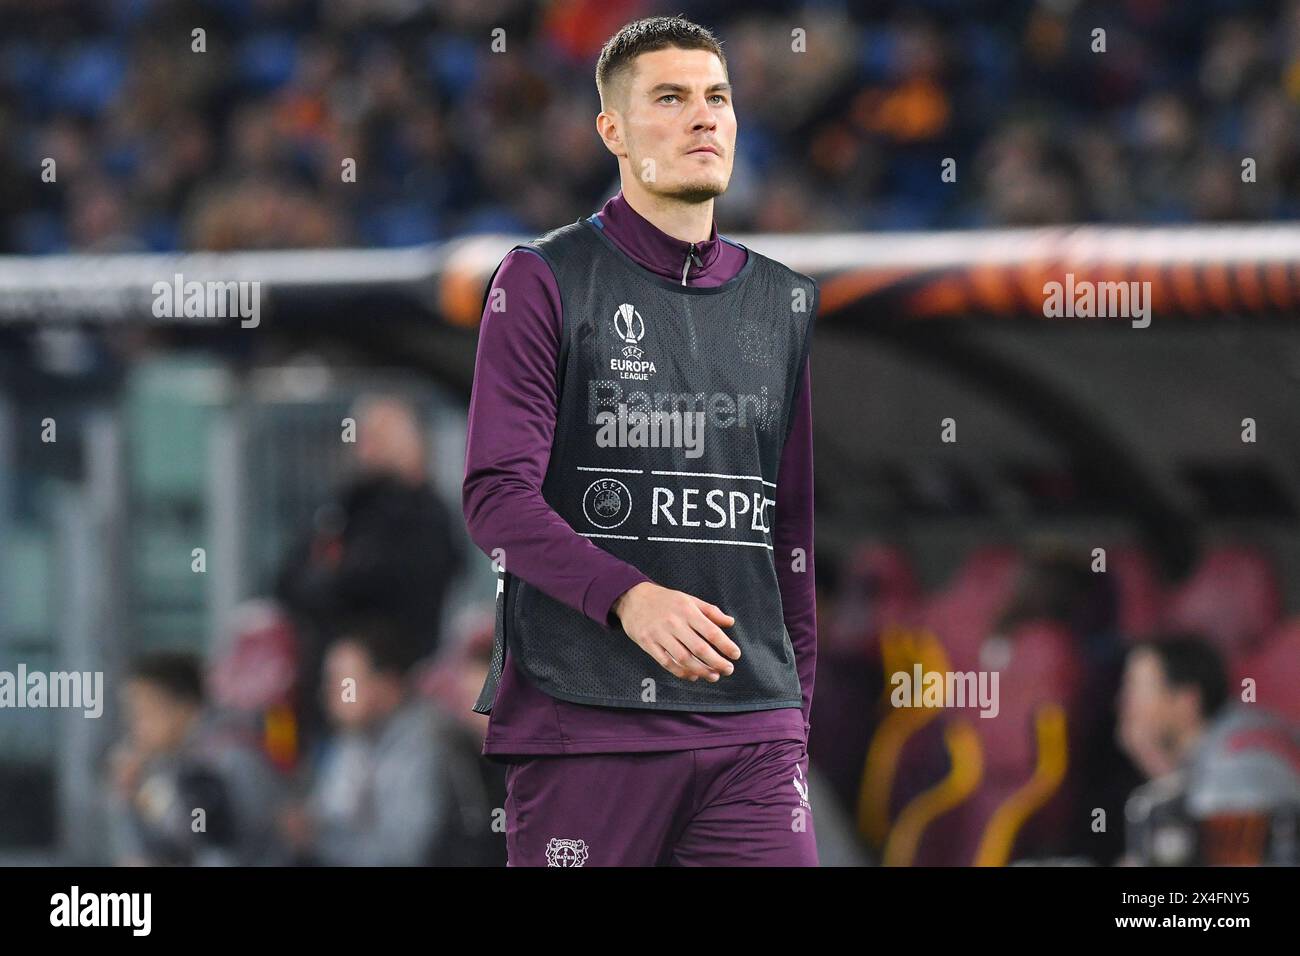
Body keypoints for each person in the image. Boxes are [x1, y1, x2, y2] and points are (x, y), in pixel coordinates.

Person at [462, 16, 820, 866]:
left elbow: (789, 532)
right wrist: (629, 596)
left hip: (753, 730)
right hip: (586, 722)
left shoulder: (783, 304)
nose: (705, 118)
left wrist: (795, 710)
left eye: (718, 98)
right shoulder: (543, 278)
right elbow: (494, 498)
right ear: (612, 132)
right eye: (671, 98)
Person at [276, 393, 465, 749]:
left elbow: (380, 583)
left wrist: (334, 578)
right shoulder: (343, 508)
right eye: (365, 436)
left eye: (382, 437)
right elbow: (289, 581)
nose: (369, 448)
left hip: (398, 695)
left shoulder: (425, 516)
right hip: (328, 702)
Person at [279, 619, 451, 866]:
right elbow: (323, 814)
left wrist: (314, 838)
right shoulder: (351, 739)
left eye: (343, 681)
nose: (328, 693)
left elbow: (404, 854)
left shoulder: (424, 741)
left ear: (386, 684)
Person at [1117, 633, 1300, 865]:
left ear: (1186, 701)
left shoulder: (1236, 765)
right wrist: (1149, 754)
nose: (1124, 704)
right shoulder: (1230, 735)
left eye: (1136, 690)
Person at [105, 651, 288, 866]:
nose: (135, 728)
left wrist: (143, 795)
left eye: (144, 713)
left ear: (183, 708)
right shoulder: (168, 762)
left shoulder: (231, 757)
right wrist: (129, 797)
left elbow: (216, 842)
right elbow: (146, 852)